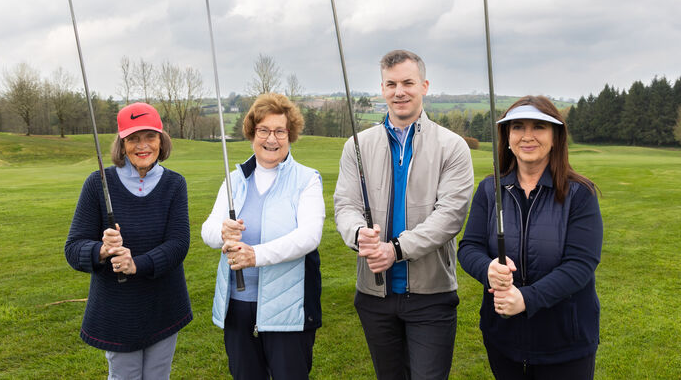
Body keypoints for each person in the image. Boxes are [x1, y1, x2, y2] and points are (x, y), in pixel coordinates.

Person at [334, 49, 475, 380]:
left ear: (424, 85)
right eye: (391, 84)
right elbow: (345, 205)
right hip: (374, 295)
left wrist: (394, 249)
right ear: (382, 88)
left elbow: (449, 217)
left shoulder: (452, 146)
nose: (400, 92)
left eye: (408, 83)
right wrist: (358, 234)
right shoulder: (356, 145)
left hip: (431, 296)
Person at [457, 96, 603, 380]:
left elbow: (581, 265)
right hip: (503, 338)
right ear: (507, 137)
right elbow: (469, 248)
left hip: (565, 341)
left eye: (539, 127)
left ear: (555, 136)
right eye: (518, 127)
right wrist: (487, 269)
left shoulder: (580, 194)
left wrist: (525, 299)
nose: (527, 136)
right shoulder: (490, 189)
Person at [64, 102, 192, 379]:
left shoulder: (174, 184)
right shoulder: (97, 183)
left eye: (150, 137)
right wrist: (101, 250)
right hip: (119, 308)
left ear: (161, 140)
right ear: (122, 145)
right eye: (133, 138)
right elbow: (74, 248)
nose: (142, 145)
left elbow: (178, 244)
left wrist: (137, 264)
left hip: (164, 304)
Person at [202, 93, 325, 380]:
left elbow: (309, 236)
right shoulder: (234, 180)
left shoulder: (307, 179)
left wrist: (255, 256)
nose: (272, 139)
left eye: (280, 131)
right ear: (252, 134)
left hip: (288, 311)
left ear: (290, 135)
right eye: (264, 131)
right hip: (238, 306)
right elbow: (207, 231)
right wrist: (222, 231)